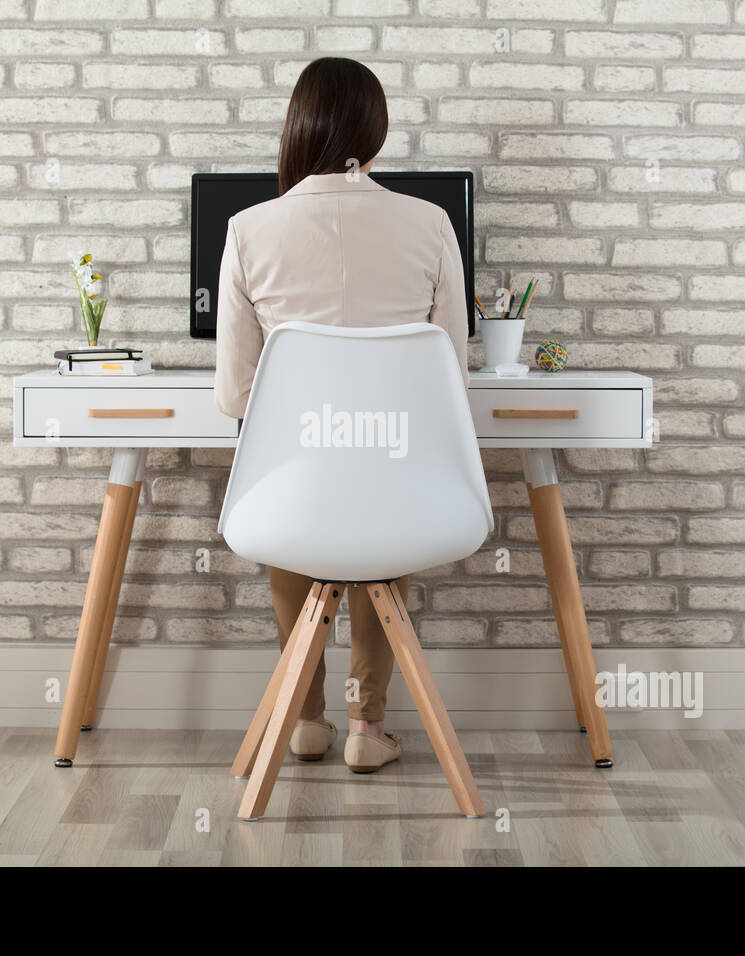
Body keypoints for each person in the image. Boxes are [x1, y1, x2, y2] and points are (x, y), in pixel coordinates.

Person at [213, 57, 469, 773]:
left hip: (293, 492)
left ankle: (307, 720)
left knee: (299, 513)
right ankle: (369, 723)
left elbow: (235, 395)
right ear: (375, 128)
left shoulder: (247, 228)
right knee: (379, 516)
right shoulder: (429, 223)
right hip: (400, 483)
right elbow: (450, 376)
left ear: (299, 126)